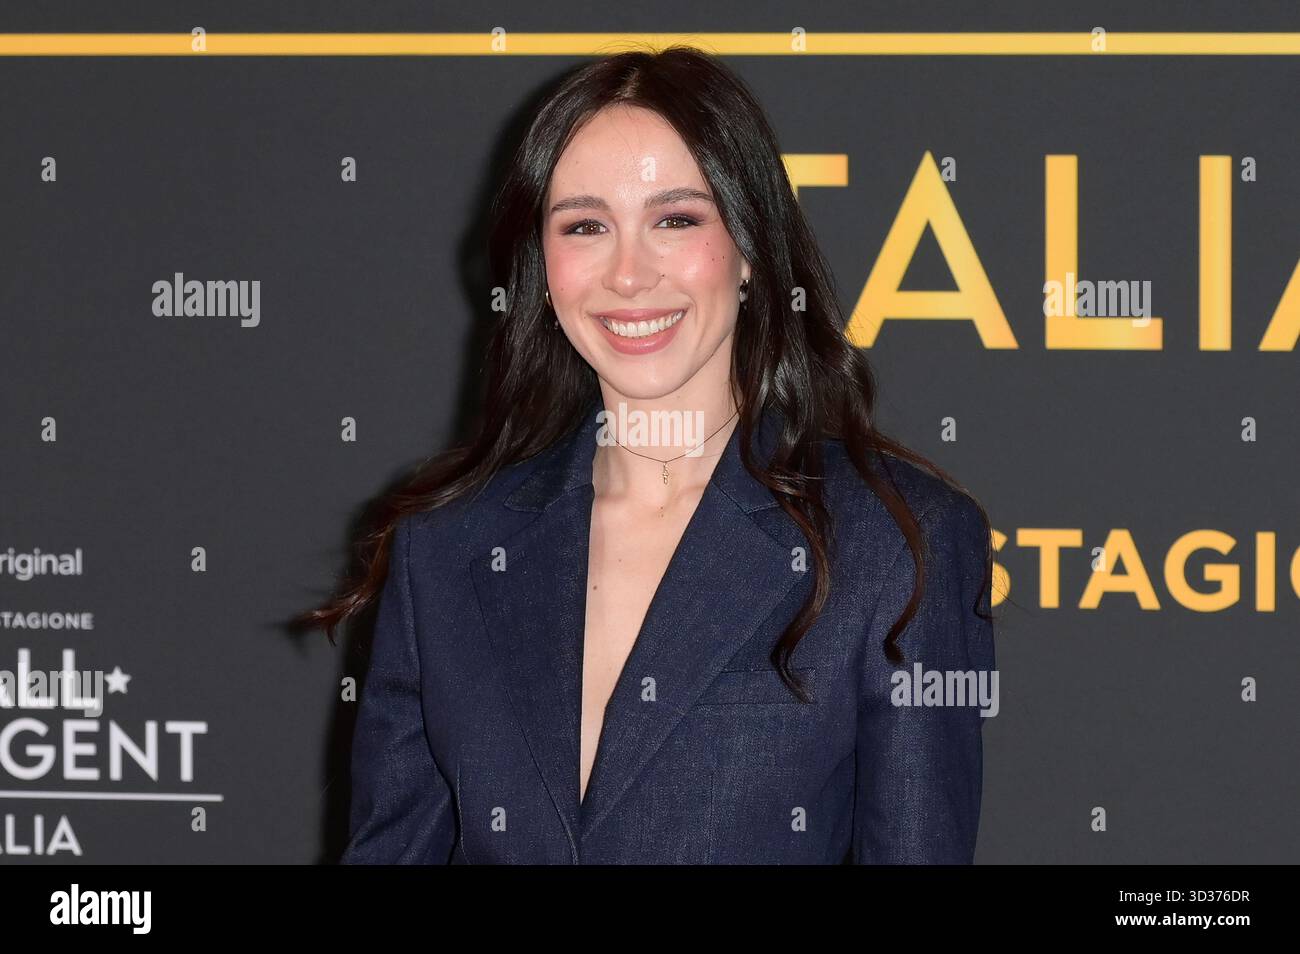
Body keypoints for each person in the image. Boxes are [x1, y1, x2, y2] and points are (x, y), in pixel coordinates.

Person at [303, 45, 996, 864]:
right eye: (586, 226)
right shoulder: (447, 551)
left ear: (749, 247)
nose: (628, 275)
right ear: (543, 264)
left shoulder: (895, 546)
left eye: (676, 219)